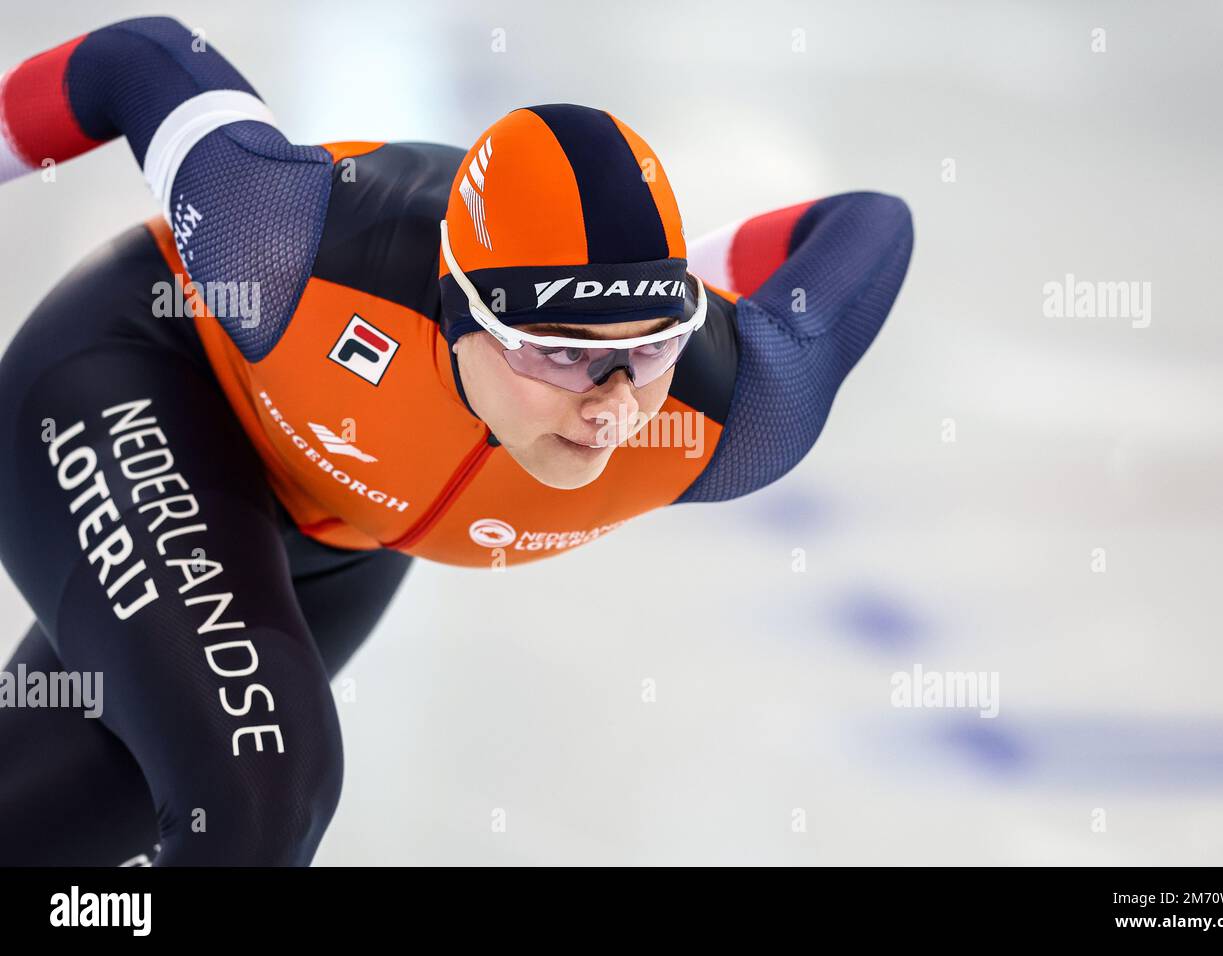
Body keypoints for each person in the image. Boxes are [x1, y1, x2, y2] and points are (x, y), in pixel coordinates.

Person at [0, 17, 913, 865]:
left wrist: (678, 289)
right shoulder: (284, 246)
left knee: (47, 829)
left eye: (653, 348)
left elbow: (872, 218)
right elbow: (141, 57)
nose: (611, 407)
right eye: (560, 356)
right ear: (459, 313)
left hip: (342, 532)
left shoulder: (733, 411)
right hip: (141, 379)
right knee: (256, 792)